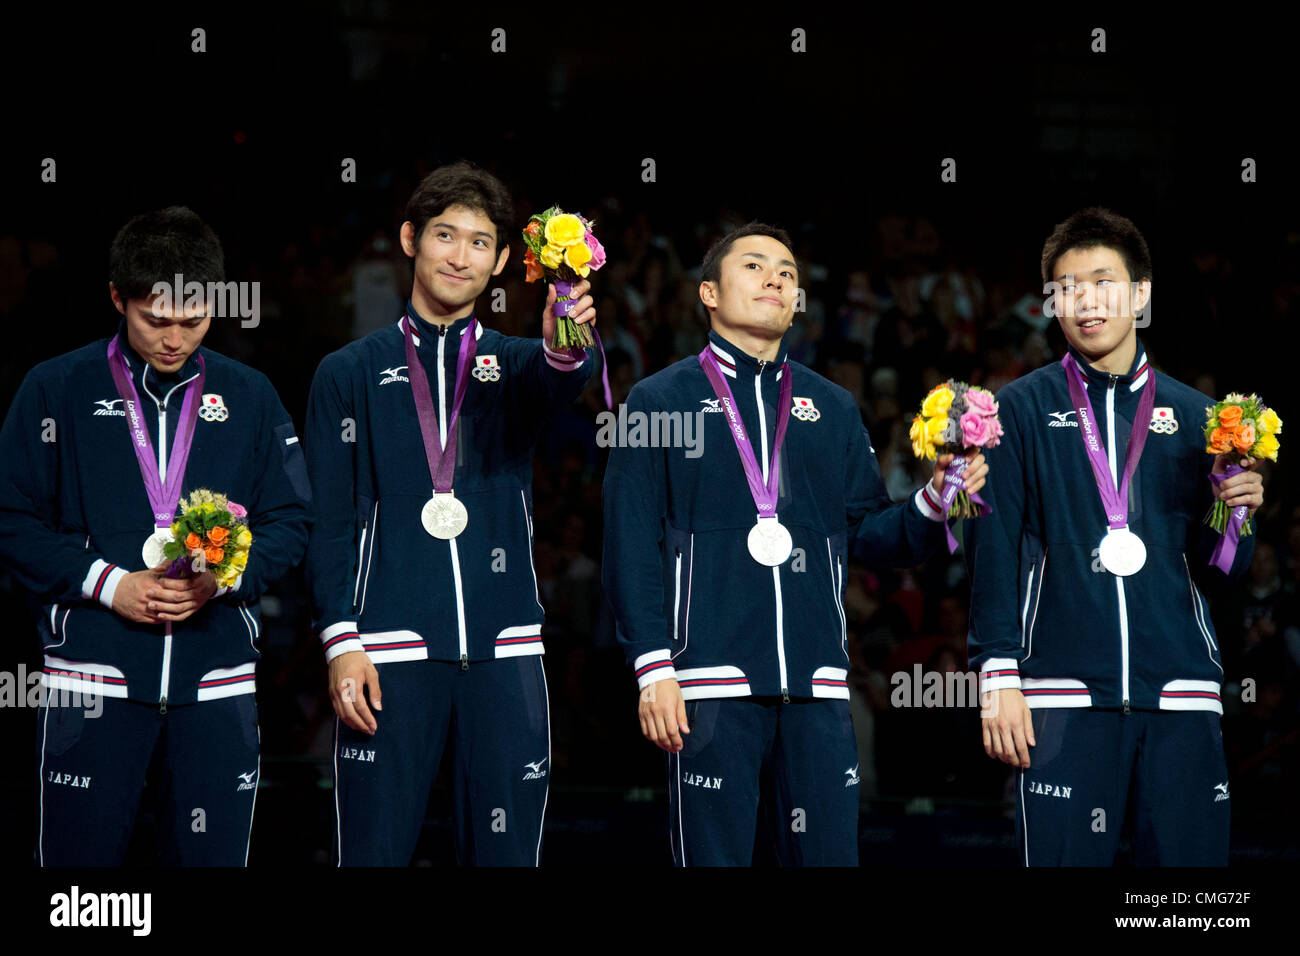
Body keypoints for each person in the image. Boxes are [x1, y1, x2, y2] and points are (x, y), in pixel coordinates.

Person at [601, 222, 985, 865]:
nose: (776, 277)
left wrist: (933, 500)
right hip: (708, 682)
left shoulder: (831, 406)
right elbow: (630, 545)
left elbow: (867, 533)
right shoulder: (656, 399)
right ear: (709, 294)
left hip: (818, 686)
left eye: (786, 270)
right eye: (753, 266)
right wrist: (652, 667)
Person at [0, 206, 311, 865]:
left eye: (193, 320)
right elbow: (12, 518)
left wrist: (221, 577)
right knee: (78, 884)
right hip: (91, 679)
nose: (175, 338)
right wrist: (107, 583)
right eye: (155, 319)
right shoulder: (55, 388)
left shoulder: (251, 397)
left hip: (217, 680)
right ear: (118, 297)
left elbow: (292, 520)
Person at [305, 161, 594, 866]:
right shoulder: (347, 373)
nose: (459, 255)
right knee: (371, 853)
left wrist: (568, 331)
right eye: (444, 234)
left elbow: (566, 377)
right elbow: (329, 519)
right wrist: (342, 641)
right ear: (410, 239)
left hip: (505, 654)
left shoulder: (518, 363)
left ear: (500, 261)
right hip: (387, 650)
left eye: (477, 242)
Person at [968, 207, 1265, 865]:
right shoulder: (1015, 410)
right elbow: (994, 553)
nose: (1084, 301)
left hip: (1181, 694)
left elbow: (1223, 568)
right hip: (1063, 697)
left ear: (1140, 295)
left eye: (1101, 282)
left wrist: (1232, 511)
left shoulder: (1200, 418)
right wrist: (997, 676)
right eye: (1067, 288)